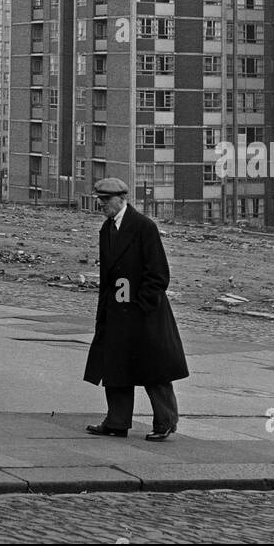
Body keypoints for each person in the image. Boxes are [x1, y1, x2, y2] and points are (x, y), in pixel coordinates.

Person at [83, 176, 188, 440]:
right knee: (115, 366)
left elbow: (158, 275)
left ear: (121, 199)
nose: (101, 204)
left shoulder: (143, 227)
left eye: (105, 200)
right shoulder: (107, 229)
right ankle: (116, 421)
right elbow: (109, 277)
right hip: (117, 311)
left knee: (154, 369)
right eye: (99, 199)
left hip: (145, 313)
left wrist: (141, 305)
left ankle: (165, 421)